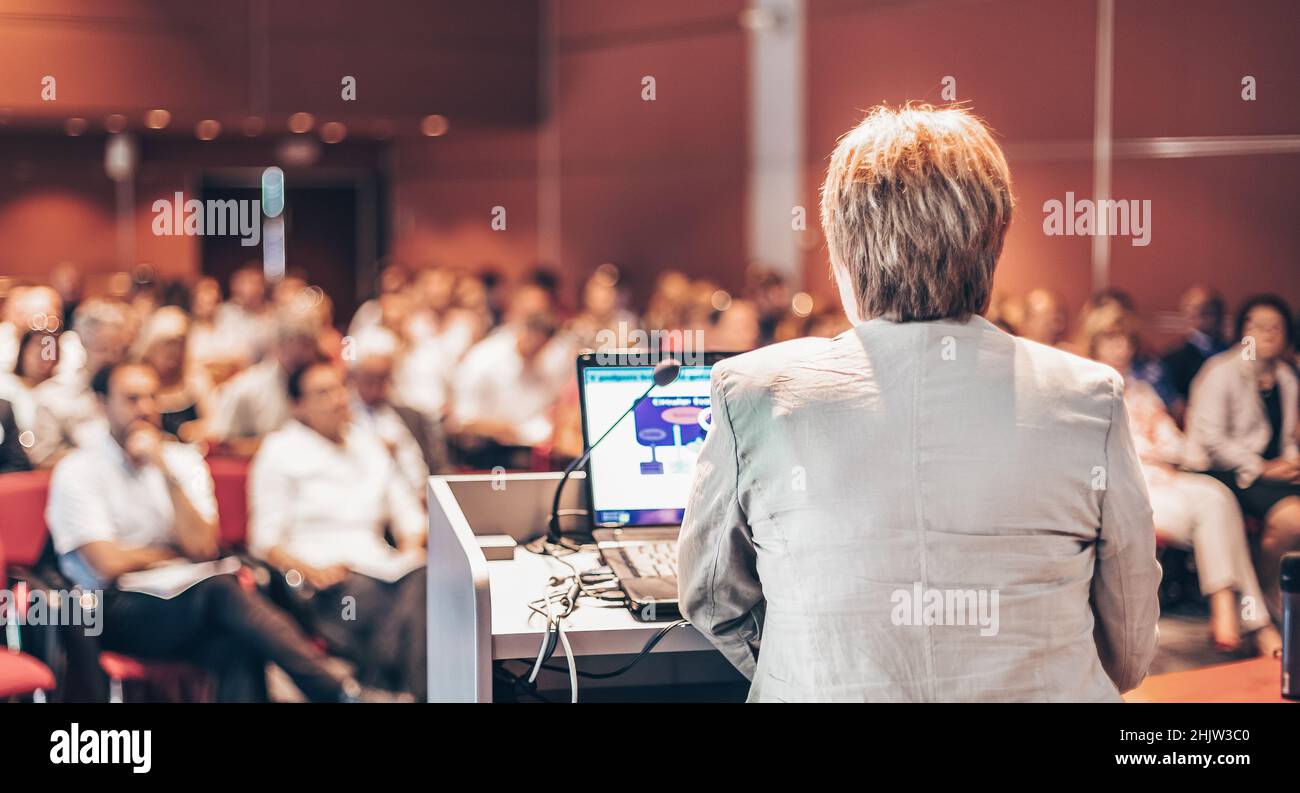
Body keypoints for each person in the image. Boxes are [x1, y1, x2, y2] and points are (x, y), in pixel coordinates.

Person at [677, 104, 1161, 702]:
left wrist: (802, 668)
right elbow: (1130, 644)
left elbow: (710, 596)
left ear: (844, 252)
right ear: (994, 241)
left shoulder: (753, 392)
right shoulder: (1089, 396)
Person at [44, 362, 403, 702]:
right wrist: (169, 553)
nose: (145, 409)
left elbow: (201, 547)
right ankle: (339, 691)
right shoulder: (78, 470)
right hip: (109, 609)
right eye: (132, 399)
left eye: (153, 398)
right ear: (102, 404)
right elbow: (106, 563)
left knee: (237, 643)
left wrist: (163, 469)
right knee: (220, 592)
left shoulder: (180, 461)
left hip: (185, 597)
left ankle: (343, 693)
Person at [1083, 302, 1281, 656]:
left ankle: (1226, 611)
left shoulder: (1141, 391)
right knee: (1210, 506)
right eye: (1112, 338)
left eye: (1127, 338)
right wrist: (1154, 450)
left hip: (1165, 478)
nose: (1122, 347)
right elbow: (1104, 451)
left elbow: (1178, 446)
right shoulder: (1085, 391)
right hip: (1122, 488)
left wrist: (1177, 449)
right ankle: (1254, 622)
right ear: (1095, 343)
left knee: (1218, 496)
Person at [249, 359, 428, 700]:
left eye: (339, 389)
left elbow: (407, 514)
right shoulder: (279, 451)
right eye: (322, 393)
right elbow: (264, 540)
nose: (337, 399)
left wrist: (410, 546)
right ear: (298, 406)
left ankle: (391, 689)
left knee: (429, 580)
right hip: (323, 581)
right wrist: (310, 570)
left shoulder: (368, 443)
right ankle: (406, 691)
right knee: (376, 601)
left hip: (383, 565)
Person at [1185, 295, 1300, 619]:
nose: (1267, 334)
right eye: (1258, 326)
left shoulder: (1286, 377)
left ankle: (1275, 597)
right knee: (1292, 518)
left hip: (1267, 474)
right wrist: (1262, 468)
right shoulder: (1221, 371)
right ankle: (1264, 601)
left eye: (1275, 328)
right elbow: (1211, 441)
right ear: (1242, 330)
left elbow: (1286, 439)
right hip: (1219, 471)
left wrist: (1290, 463)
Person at [450, 311, 572, 468]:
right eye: (533, 342)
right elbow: (460, 418)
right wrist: (498, 428)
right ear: (524, 332)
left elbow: (549, 407)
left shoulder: (550, 362)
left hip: (528, 447)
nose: (535, 350)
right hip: (481, 449)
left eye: (542, 346)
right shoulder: (485, 358)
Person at [348, 327, 448, 497]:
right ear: (354, 378)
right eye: (369, 379)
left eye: (383, 378)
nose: (376, 387)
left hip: (422, 499)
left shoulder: (412, 417)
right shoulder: (345, 419)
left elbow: (440, 466)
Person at [31, 298, 131, 467]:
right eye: (103, 349)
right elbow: (43, 459)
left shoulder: (135, 394)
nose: (112, 358)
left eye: (119, 350)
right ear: (83, 344)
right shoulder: (52, 396)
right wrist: (104, 457)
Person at [207, 313, 320, 455]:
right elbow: (223, 444)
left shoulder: (323, 387)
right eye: (296, 344)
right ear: (278, 346)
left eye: (308, 345)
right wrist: (277, 447)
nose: (302, 353)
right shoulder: (246, 388)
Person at [132, 306, 212, 441]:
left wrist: (195, 430)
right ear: (151, 346)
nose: (174, 351)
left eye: (179, 344)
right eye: (168, 344)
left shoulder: (195, 376)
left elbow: (214, 420)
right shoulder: (137, 378)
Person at [1161, 286, 1228, 414]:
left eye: (1208, 310)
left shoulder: (1233, 352)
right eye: (1192, 309)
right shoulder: (1173, 357)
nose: (1199, 315)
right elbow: (1176, 405)